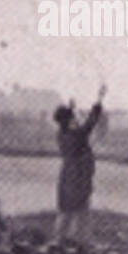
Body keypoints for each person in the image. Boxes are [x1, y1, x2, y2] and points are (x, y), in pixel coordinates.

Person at [51, 84, 107, 243]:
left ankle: (59, 242)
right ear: (68, 121)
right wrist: (99, 99)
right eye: (73, 118)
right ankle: (81, 244)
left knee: (65, 212)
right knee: (81, 213)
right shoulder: (76, 136)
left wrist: (71, 108)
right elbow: (90, 123)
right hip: (78, 179)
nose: (76, 120)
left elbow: (81, 126)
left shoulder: (63, 134)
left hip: (68, 177)